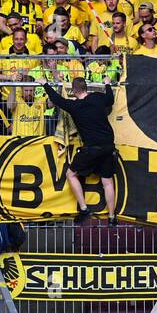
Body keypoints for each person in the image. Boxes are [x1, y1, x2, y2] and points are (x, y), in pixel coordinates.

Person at [40, 71, 119, 225]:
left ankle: (83, 209)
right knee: (107, 181)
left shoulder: (74, 106)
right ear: (87, 88)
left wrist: (45, 83)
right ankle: (111, 217)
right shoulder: (97, 98)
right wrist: (108, 83)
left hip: (91, 148)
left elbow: (57, 100)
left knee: (71, 174)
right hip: (109, 146)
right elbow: (110, 99)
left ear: (74, 91)